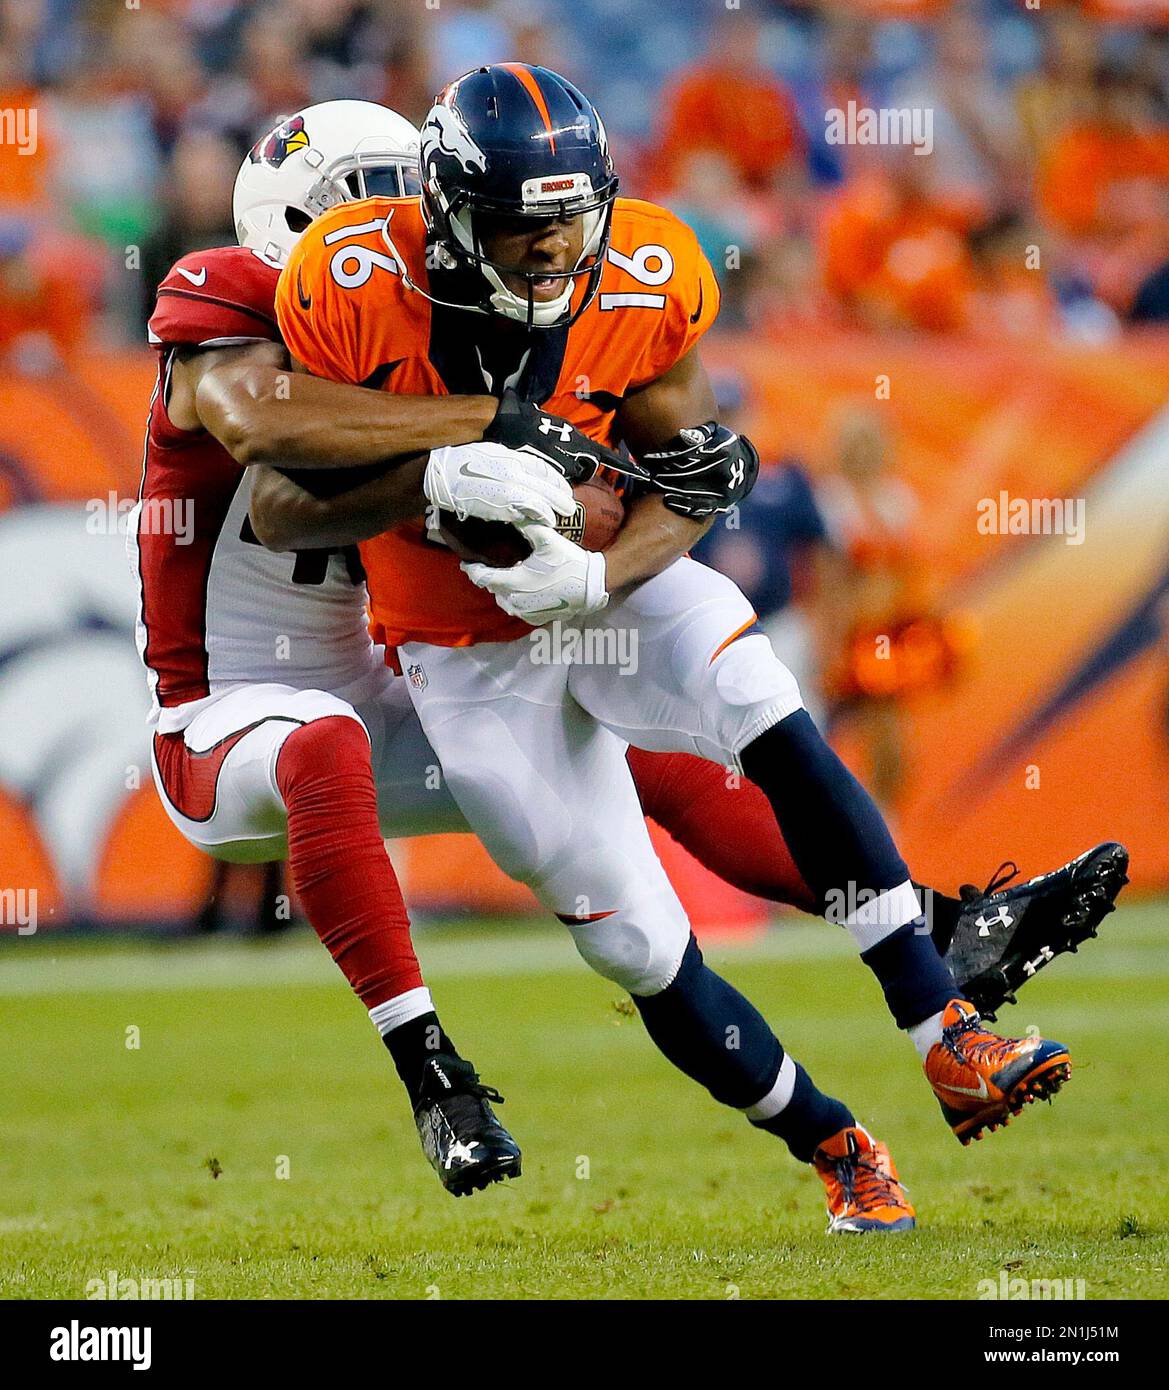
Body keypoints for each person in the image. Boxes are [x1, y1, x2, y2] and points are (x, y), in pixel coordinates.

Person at [262, 67, 1111, 1230]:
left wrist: (600, 572)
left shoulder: (645, 266)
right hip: (461, 648)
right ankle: (836, 1143)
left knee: (753, 681)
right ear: (450, 210)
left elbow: (694, 474)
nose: (553, 251)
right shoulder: (353, 280)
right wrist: (436, 467)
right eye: (522, 224)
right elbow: (279, 504)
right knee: (639, 943)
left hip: (598, 590)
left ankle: (946, 1028)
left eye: (570, 217)